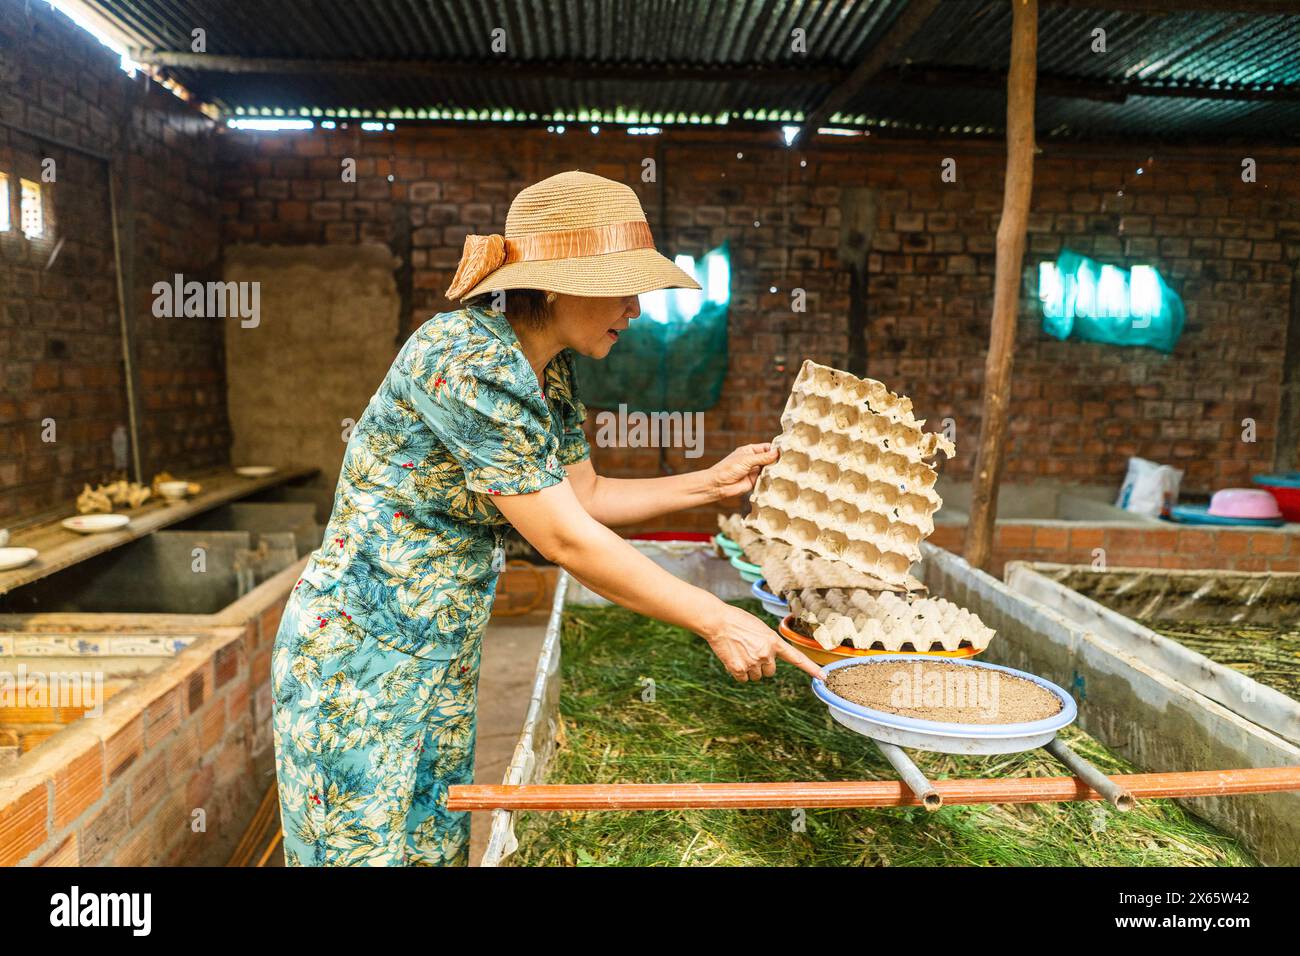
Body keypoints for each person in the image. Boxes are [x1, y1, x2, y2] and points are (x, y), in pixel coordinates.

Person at [270, 170, 822, 867]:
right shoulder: (468, 359)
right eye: (623, 288)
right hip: (360, 657)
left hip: (441, 650)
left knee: (432, 851)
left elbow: (581, 500)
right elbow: (564, 537)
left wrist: (707, 484)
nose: (637, 309)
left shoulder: (548, 369)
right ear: (559, 284)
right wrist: (715, 616)